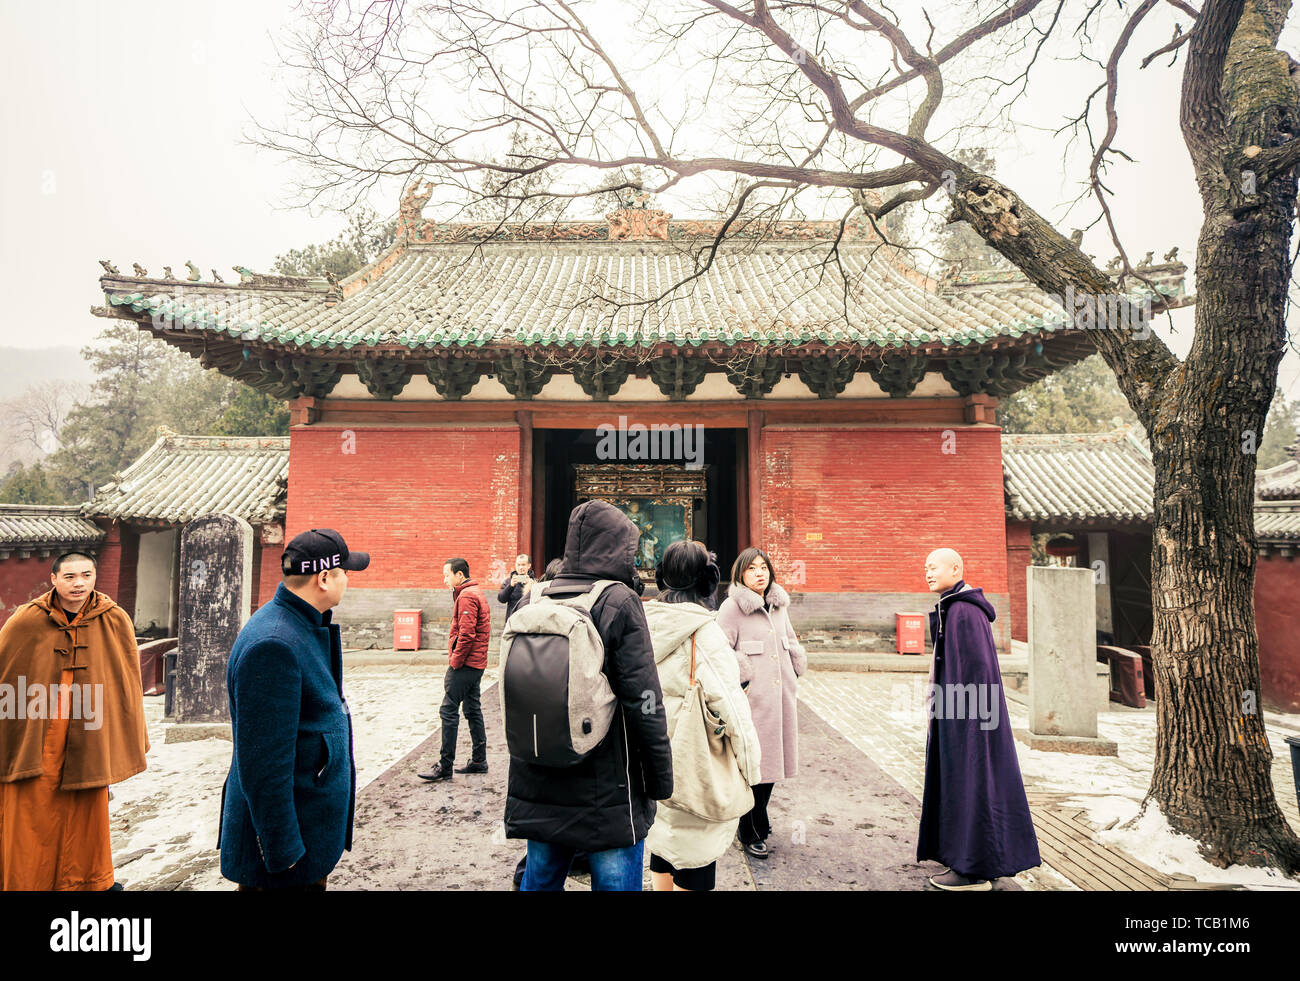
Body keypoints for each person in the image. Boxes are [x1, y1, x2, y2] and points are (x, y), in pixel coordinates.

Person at [505, 500, 673, 891]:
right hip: (607, 783)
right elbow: (645, 699)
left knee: (541, 879)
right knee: (614, 882)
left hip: (538, 772)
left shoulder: (533, 597)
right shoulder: (619, 601)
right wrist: (659, 777)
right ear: (620, 547)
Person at [218, 529, 368, 891]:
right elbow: (263, 764)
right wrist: (282, 851)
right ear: (324, 578)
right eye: (345, 572)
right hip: (286, 854)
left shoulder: (299, 625)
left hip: (307, 829)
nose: (348, 580)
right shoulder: (274, 643)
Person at [0, 551, 149, 891]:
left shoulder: (113, 619)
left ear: (95, 577)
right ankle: (25, 882)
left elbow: (126, 683)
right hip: (37, 737)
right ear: (53, 579)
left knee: (86, 810)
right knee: (29, 809)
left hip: (89, 735)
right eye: (69, 576)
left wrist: (123, 733)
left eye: (86, 575)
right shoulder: (26, 620)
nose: (78, 583)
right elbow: (5, 674)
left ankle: (87, 882)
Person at [917, 548, 1041, 891]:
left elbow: (977, 673)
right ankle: (971, 860)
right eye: (925, 568)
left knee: (972, 782)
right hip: (960, 715)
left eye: (934, 567)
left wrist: (966, 725)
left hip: (969, 720)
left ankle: (971, 869)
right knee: (967, 783)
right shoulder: (955, 607)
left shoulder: (964, 611)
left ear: (956, 569)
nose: (928, 573)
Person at [645, 541, 760, 891]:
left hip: (648, 756)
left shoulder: (642, 624)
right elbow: (731, 707)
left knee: (662, 840)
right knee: (695, 853)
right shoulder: (704, 633)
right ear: (708, 581)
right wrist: (750, 767)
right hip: (693, 759)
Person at [716, 546, 806, 860]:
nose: (759, 573)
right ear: (740, 574)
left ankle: (758, 819)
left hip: (781, 698)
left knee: (773, 764)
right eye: (752, 568)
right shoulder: (732, 607)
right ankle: (750, 829)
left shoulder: (779, 604)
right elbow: (720, 650)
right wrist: (743, 677)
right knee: (754, 766)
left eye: (763, 567)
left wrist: (795, 666)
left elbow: (790, 639)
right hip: (752, 700)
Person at [510, 555, 565, 890]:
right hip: (558, 736)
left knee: (543, 835)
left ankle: (525, 877)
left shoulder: (528, 615)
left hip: (533, 739)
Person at [419, 558, 490, 781]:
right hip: (476, 663)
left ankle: (445, 765)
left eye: (447, 575)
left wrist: (455, 662)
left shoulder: (467, 595)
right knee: (472, 709)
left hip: (466, 664)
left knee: (448, 710)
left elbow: (467, 634)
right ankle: (479, 760)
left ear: (460, 575)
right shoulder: (473, 592)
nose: (444, 579)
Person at [497, 553, 534, 622]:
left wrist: (532, 587)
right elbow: (501, 599)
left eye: (523, 565)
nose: (521, 567)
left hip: (528, 620)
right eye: (518, 565)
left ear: (529, 565)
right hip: (512, 620)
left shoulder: (534, 582)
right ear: (515, 565)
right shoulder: (508, 581)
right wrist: (510, 586)